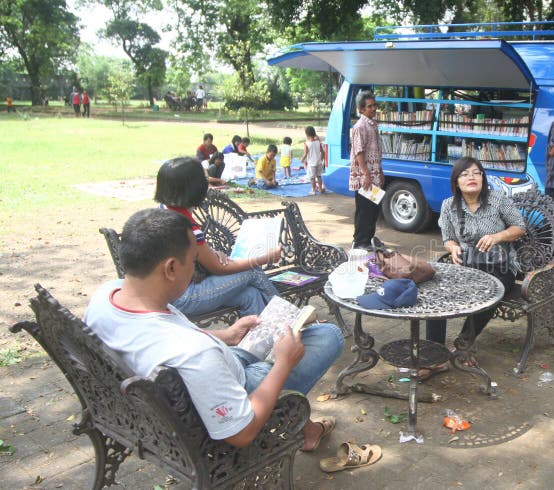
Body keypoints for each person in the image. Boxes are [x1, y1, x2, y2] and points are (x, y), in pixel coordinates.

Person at [84, 208, 343, 450]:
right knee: (328, 336)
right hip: (231, 393)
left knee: (279, 334)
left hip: (208, 372)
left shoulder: (107, 295)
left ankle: (307, 430)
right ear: (171, 268)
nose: (196, 271)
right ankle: (299, 424)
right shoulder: (196, 354)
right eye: (194, 262)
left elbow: (162, 343)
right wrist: (283, 364)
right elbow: (241, 433)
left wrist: (226, 335)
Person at [421, 157, 526, 380]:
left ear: (483, 178)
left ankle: (464, 344)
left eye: (476, 173)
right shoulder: (449, 205)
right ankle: (434, 357)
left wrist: (498, 236)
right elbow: (447, 238)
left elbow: (520, 227)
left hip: (501, 266)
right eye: (465, 174)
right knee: (435, 294)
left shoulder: (498, 200)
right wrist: (453, 249)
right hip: (467, 267)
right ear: (456, 182)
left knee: (489, 290)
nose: (472, 177)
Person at [154, 157, 280, 318]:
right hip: (184, 297)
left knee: (250, 295)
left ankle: (262, 340)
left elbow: (193, 251)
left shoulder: (165, 211)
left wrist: (211, 253)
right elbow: (218, 269)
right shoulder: (186, 227)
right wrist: (265, 258)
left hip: (168, 293)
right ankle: (289, 318)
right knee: (253, 271)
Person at [349, 91, 384, 250]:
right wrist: (366, 175)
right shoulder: (360, 126)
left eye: (374, 105)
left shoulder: (373, 124)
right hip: (366, 177)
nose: (373, 108)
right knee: (364, 210)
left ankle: (369, 239)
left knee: (373, 209)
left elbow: (376, 151)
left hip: (374, 174)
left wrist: (380, 171)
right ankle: (360, 243)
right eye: (370, 106)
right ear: (361, 109)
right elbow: (359, 152)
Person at [301, 126, 327, 195]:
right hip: (319, 162)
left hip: (311, 163)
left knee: (312, 178)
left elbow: (305, 153)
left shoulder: (306, 143)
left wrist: (302, 159)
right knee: (319, 176)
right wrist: (321, 159)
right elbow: (322, 151)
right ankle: (321, 189)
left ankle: (313, 190)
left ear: (306, 134)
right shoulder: (318, 142)